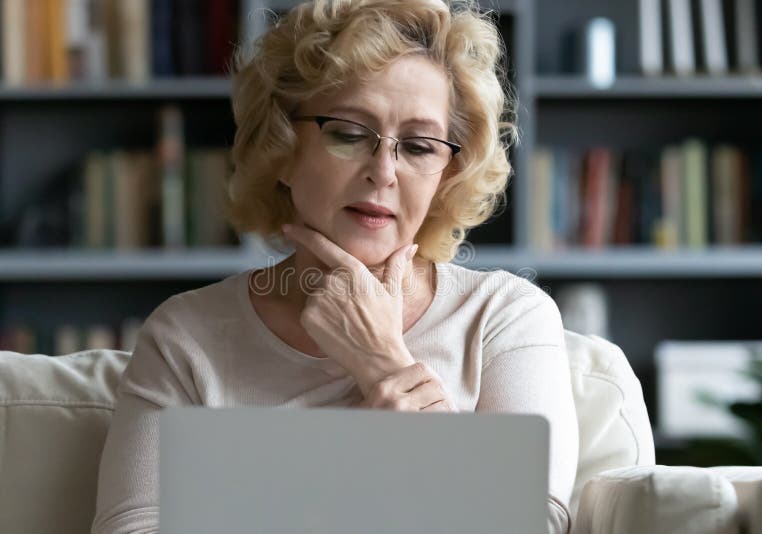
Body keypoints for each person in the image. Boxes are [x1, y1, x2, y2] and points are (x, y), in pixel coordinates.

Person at [90, 1, 578, 532]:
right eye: (347, 132)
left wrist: (385, 363)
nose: (383, 172)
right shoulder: (186, 337)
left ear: (448, 173)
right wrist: (351, 468)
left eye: (417, 146)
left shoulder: (504, 317)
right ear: (282, 145)